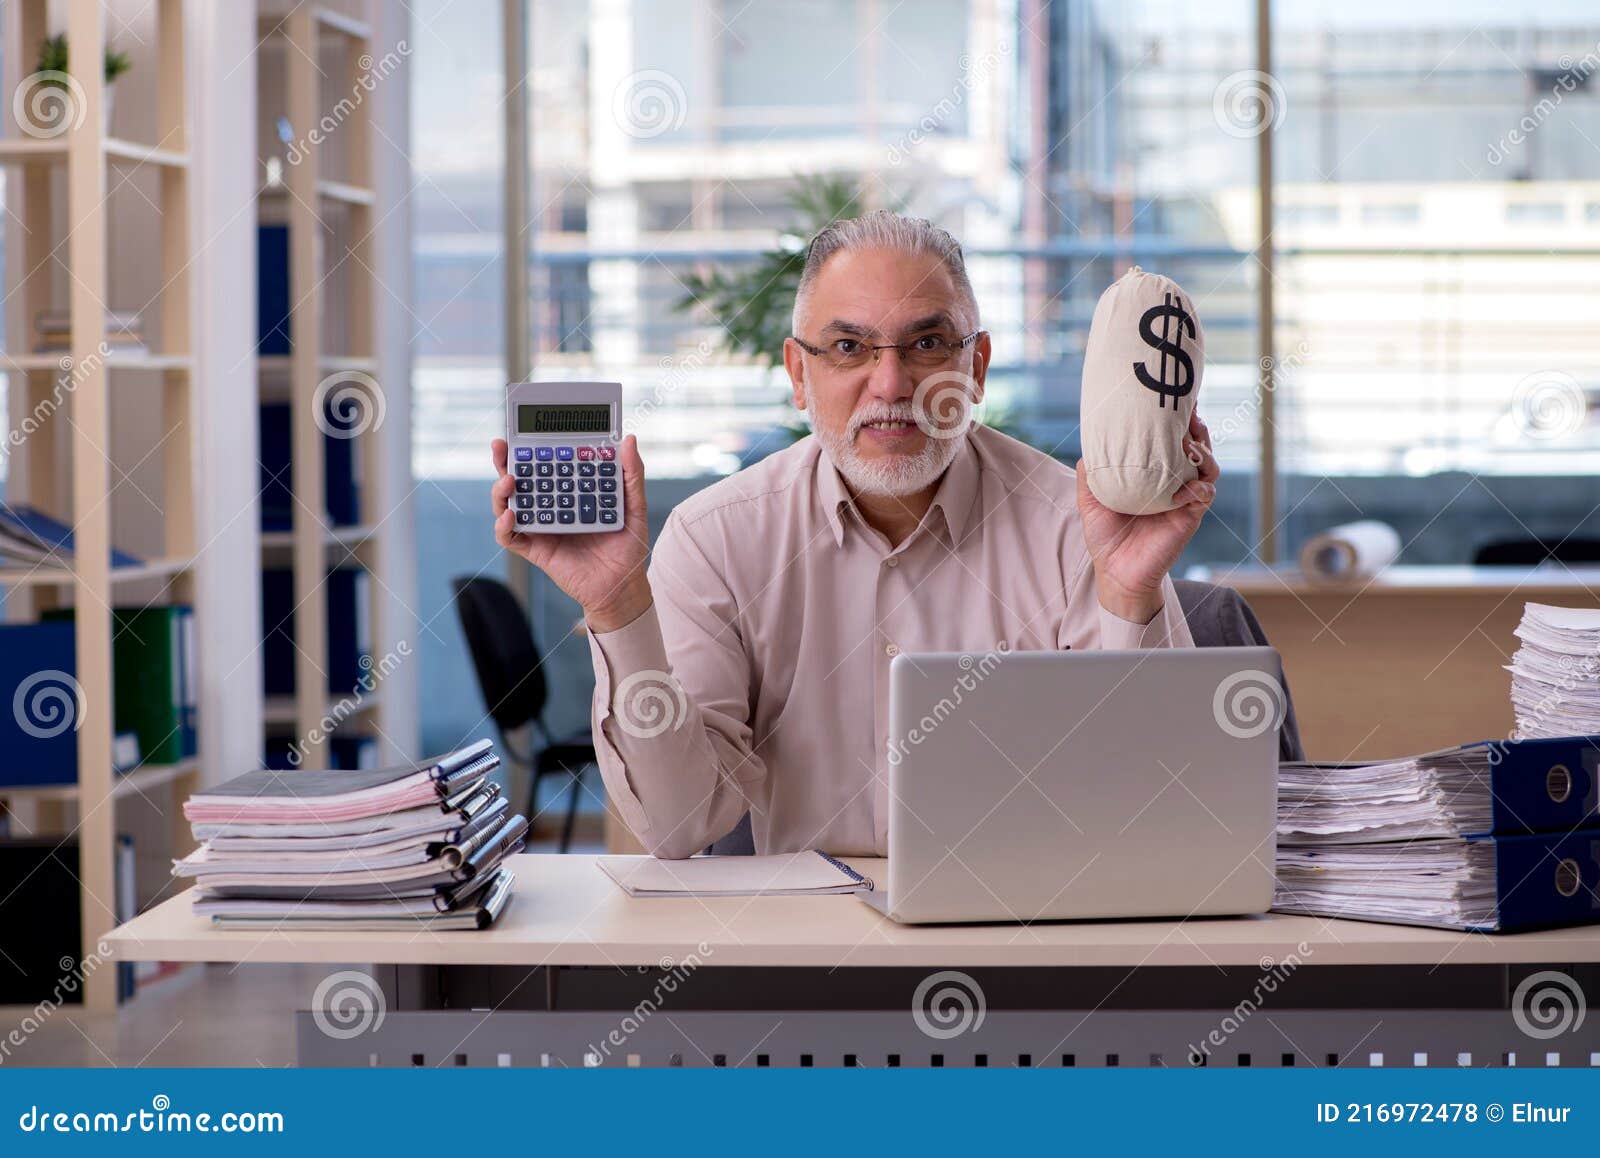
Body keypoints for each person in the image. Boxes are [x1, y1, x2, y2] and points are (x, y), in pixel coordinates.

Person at [491, 210, 1218, 858]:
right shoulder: (717, 539)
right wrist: (619, 606)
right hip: (806, 967)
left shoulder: (1075, 525)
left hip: (1029, 948)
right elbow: (681, 826)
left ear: (979, 366)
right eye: (848, 348)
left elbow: (1155, 812)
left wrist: (1129, 593)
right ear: (798, 375)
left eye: (928, 342)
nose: (892, 384)